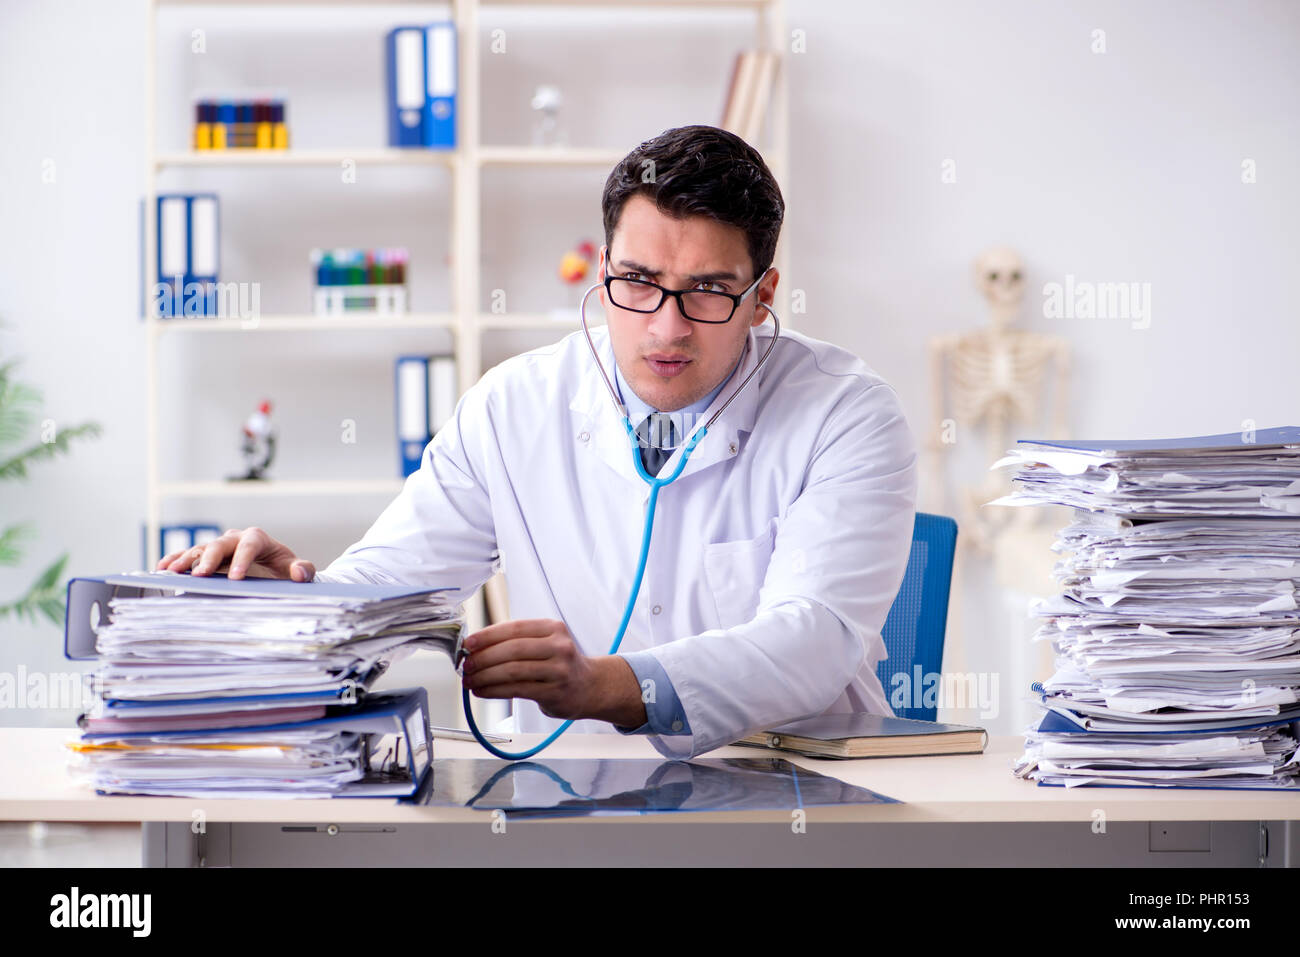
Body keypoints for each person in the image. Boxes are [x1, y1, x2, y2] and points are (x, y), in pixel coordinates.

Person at [156, 125, 918, 759]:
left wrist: (609, 685)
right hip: (576, 800)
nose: (666, 326)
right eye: (638, 280)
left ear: (763, 298)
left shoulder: (845, 415)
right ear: (602, 265)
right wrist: (292, 603)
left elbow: (813, 640)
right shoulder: (513, 407)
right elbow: (393, 586)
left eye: (710, 290)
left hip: (799, 796)